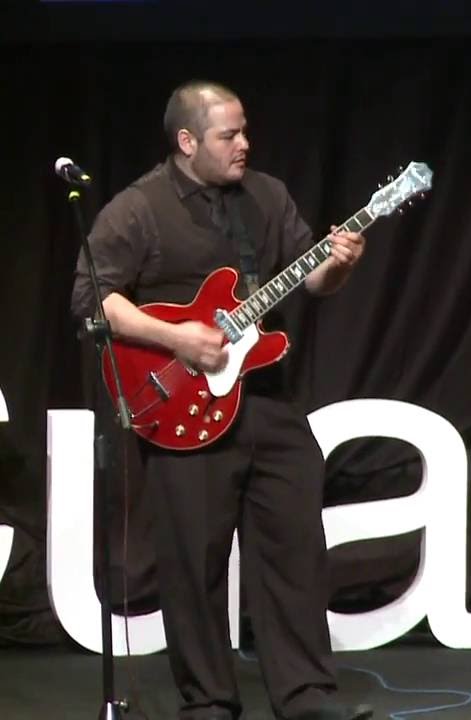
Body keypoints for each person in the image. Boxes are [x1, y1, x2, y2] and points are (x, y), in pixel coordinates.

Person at [70, 80, 372, 720]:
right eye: (227, 135)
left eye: (244, 130)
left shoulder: (267, 194)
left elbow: (311, 277)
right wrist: (176, 337)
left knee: (296, 550)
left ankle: (308, 696)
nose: (244, 143)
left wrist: (340, 261)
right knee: (193, 564)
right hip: (181, 408)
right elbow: (94, 299)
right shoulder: (138, 208)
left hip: (268, 401)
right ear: (186, 142)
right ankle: (208, 701)